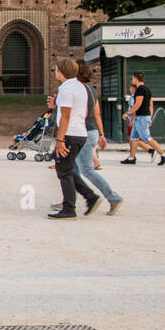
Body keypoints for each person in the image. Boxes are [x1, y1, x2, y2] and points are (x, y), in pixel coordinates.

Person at [55, 61, 123, 216]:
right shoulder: (89, 89)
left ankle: (109, 197)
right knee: (71, 169)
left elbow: (78, 113)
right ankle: (71, 200)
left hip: (79, 130)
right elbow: (96, 112)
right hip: (87, 131)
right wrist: (101, 133)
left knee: (84, 170)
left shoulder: (73, 88)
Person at [47, 58, 99, 220]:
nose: (55, 72)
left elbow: (66, 116)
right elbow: (80, 111)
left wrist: (60, 140)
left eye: (56, 69)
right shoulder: (80, 87)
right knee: (66, 168)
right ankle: (90, 197)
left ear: (61, 71)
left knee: (63, 171)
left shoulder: (66, 88)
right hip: (81, 132)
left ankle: (70, 207)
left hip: (70, 133)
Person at [120, 71, 165, 165]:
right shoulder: (147, 89)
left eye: (132, 78)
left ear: (135, 78)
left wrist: (127, 113)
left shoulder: (140, 89)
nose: (132, 80)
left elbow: (138, 104)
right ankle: (131, 158)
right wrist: (150, 118)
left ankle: (164, 154)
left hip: (141, 117)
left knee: (146, 138)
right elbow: (150, 106)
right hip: (142, 117)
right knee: (134, 138)